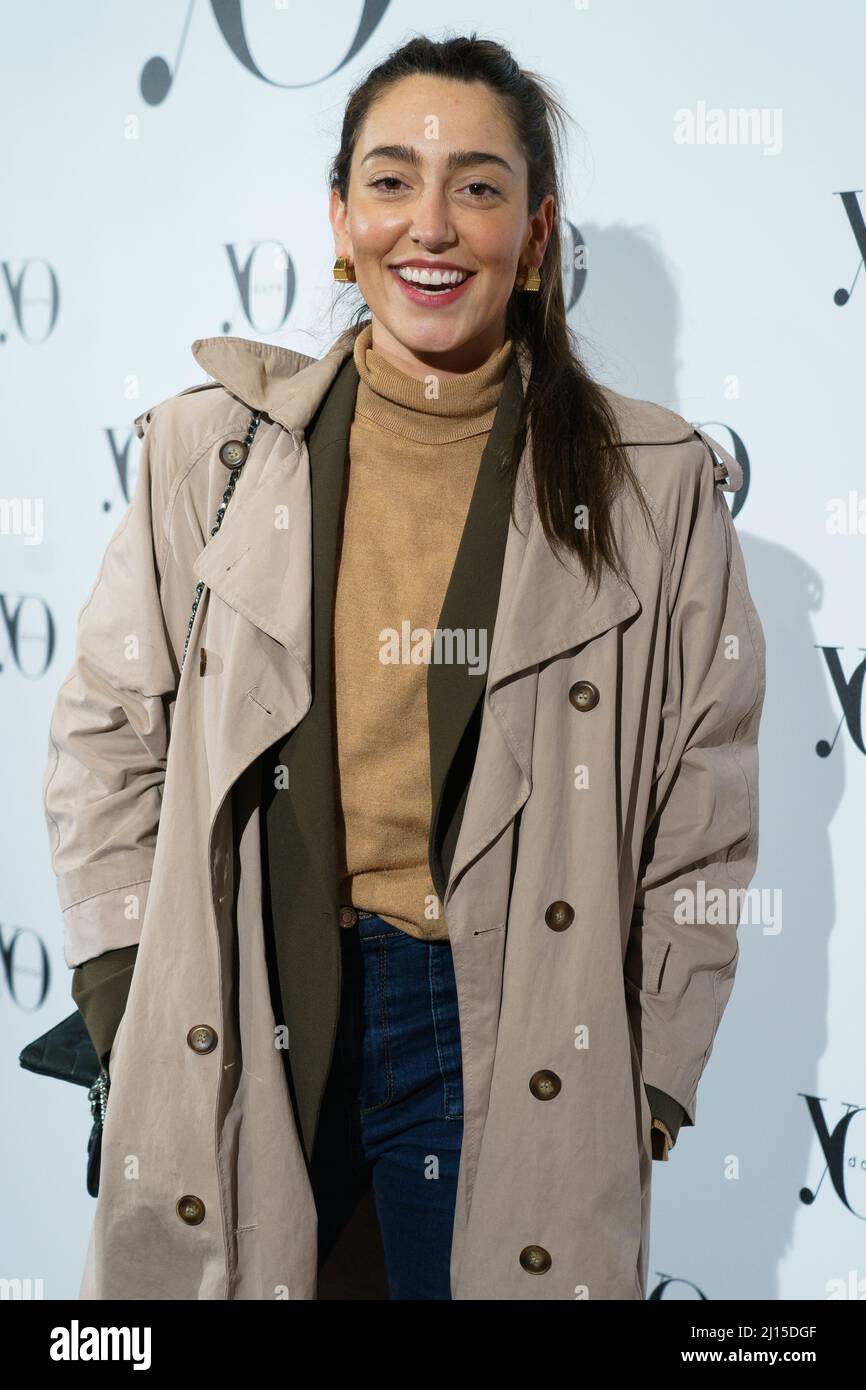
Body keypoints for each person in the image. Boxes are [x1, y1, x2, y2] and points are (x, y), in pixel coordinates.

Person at [43, 33, 766, 1301]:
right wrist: (122, 986)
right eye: (389, 181)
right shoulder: (206, 453)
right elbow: (108, 732)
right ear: (339, 216)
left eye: (478, 187)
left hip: (505, 1013)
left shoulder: (652, 488)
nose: (429, 225)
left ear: (535, 237)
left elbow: (701, 799)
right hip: (259, 988)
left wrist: (646, 1070)